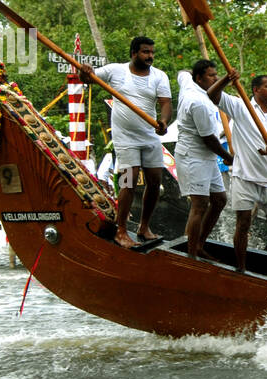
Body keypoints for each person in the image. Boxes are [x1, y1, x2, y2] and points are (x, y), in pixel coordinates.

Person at [208, 69, 267, 281]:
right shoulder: (241, 106)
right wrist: (226, 80)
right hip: (244, 176)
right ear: (256, 90)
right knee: (243, 223)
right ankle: (241, 269)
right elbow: (211, 95)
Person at [90, 36, 173, 249]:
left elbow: (165, 104)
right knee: (128, 181)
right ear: (134, 53)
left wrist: (163, 121)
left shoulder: (159, 76)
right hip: (125, 139)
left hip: (150, 136)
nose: (150, 57)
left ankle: (144, 227)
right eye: (146, 52)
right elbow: (89, 77)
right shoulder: (114, 71)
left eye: (152, 53)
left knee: (155, 181)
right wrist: (85, 72)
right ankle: (121, 230)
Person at [175, 60, 233, 261]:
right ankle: (190, 256)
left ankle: (198, 244)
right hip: (193, 157)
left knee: (220, 200)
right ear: (199, 78)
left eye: (217, 75)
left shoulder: (188, 82)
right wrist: (229, 158)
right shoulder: (199, 102)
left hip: (207, 158)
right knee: (200, 204)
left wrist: (222, 81)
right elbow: (209, 139)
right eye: (211, 76)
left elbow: (181, 72)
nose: (215, 79)